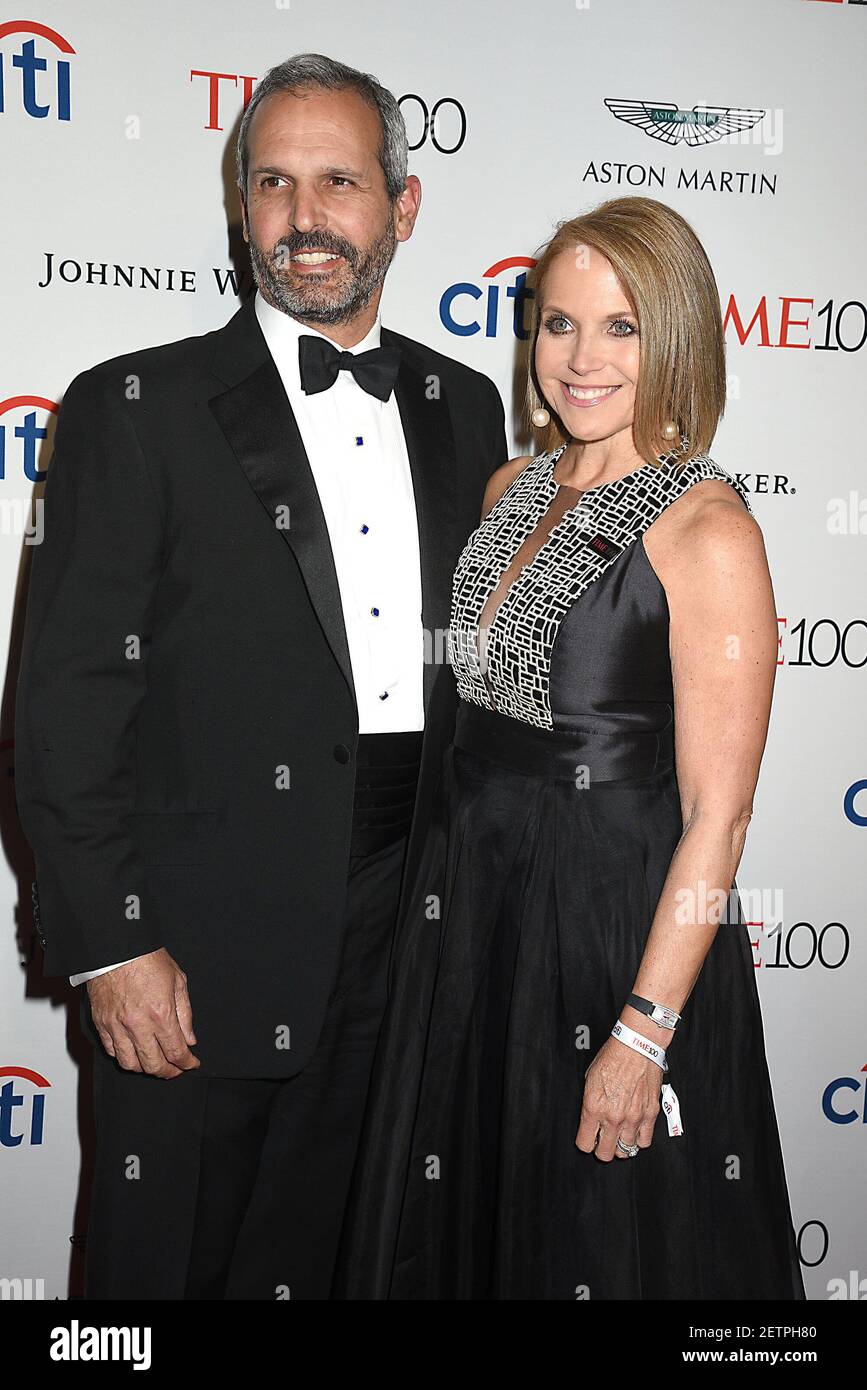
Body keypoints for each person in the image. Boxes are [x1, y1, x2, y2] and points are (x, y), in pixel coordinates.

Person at [13, 52, 506, 1300]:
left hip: (408, 924)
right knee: (159, 1272)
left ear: (402, 206)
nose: (304, 217)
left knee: (351, 1256)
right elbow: (63, 703)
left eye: (339, 180)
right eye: (273, 183)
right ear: (241, 206)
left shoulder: (466, 407)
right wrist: (115, 946)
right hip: (196, 938)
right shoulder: (134, 405)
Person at [335, 196, 807, 1300]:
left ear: (676, 337)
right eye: (558, 323)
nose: (581, 358)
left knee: (593, 1239)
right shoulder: (512, 488)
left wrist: (643, 1035)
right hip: (470, 915)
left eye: (621, 327)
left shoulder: (708, 529)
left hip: (608, 928)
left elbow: (718, 818)